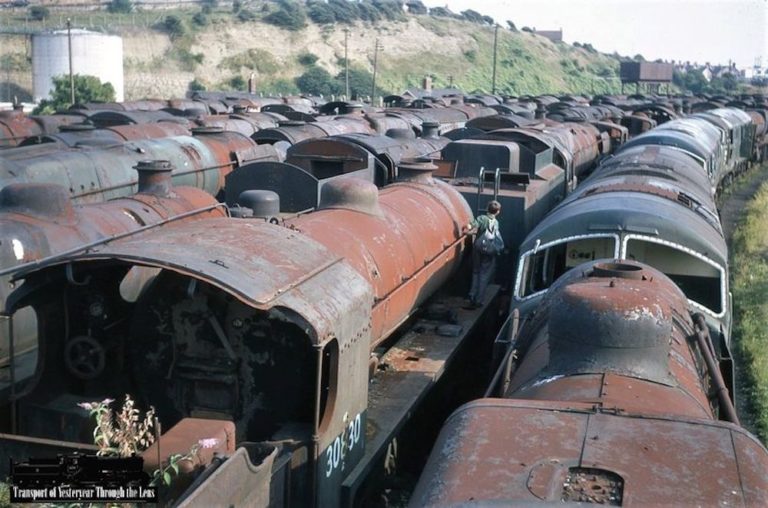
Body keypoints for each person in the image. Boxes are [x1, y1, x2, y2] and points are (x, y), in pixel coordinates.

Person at [466, 200, 503, 309]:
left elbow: (471, 225)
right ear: (498, 212)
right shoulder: (496, 223)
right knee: (484, 275)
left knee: (476, 272)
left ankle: (472, 295)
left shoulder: (482, 218)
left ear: (487, 208)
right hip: (489, 251)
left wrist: (466, 228)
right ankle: (479, 300)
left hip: (478, 249)